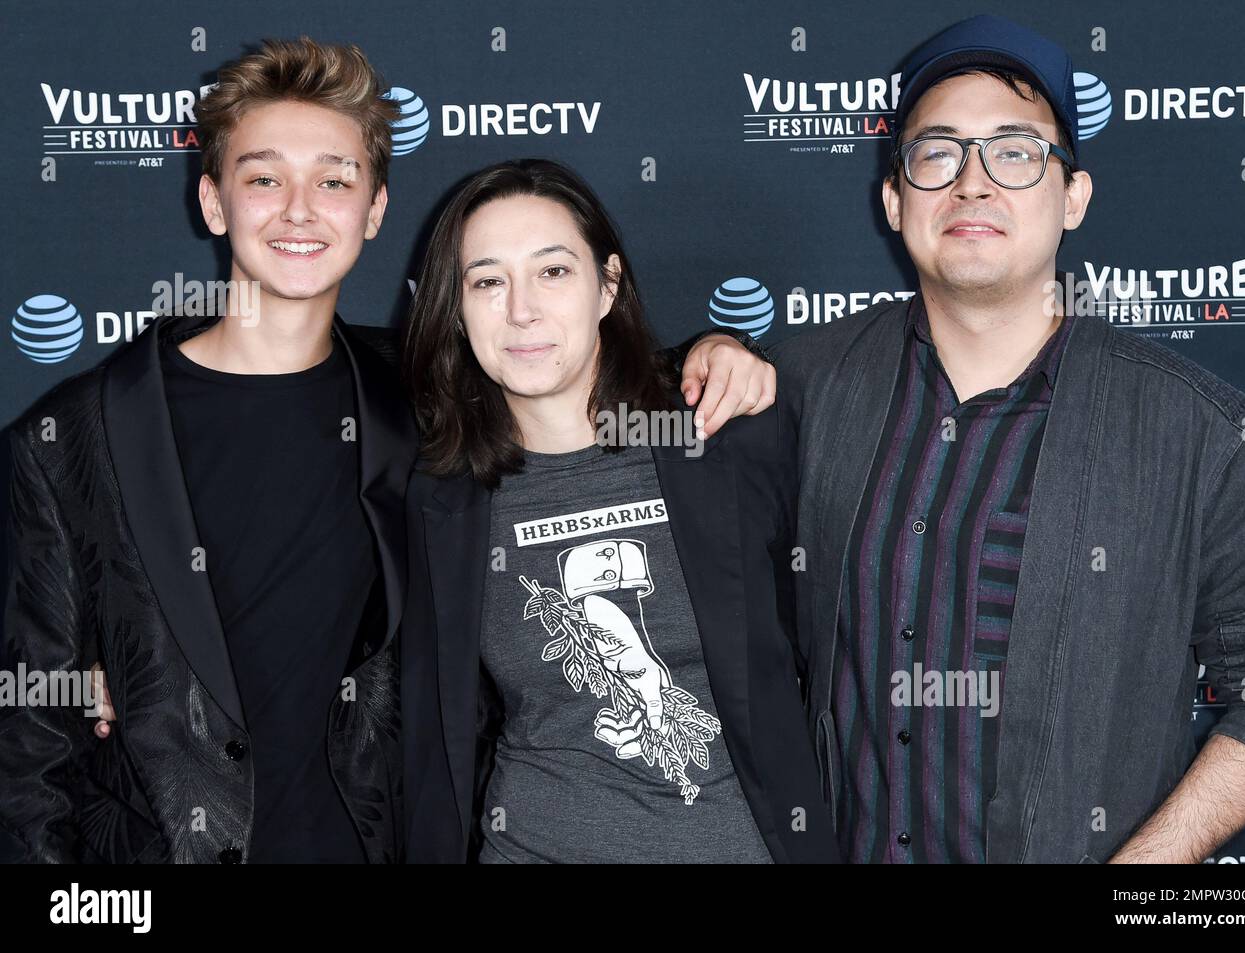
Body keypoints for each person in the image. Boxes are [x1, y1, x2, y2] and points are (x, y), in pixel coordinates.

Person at [0, 39, 771, 864]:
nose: (300, 210)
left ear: (373, 210)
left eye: (334, 181)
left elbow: (564, 369)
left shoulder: (421, 395)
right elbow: (26, 752)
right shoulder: (69, 443)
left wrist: (710, 352)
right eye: (264, 179)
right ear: (214, 202)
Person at [769, 14, 1245, 863]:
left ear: (1074, 197)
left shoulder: (1201, 435)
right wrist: (709, 351)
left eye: (1014, 152)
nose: (972, 184)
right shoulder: (799, 387)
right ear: (895, 200)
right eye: (937, 153)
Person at [400, 158, 840, 863]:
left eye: (553, 271)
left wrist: (724, 345)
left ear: (607, 285)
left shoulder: (717, 438)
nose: (521, 310)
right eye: (487, 281)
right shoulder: (439, 497)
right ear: (455, 308)